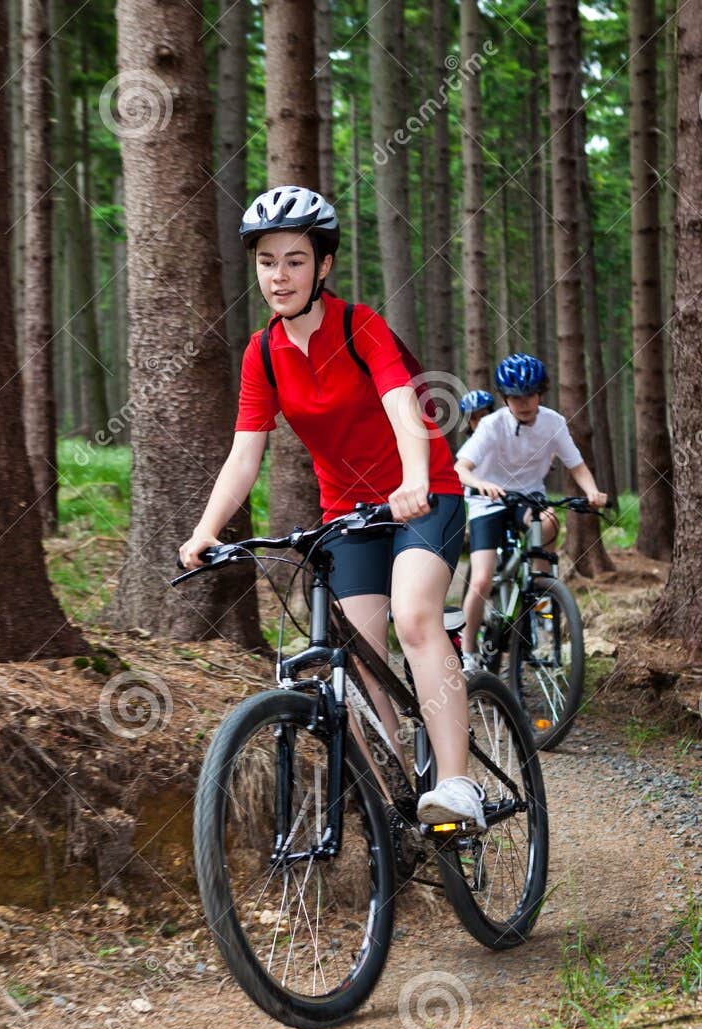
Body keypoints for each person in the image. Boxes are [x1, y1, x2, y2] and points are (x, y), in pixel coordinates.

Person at [177, 185, 486, 828]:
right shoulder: (262, 353)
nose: (279, 275)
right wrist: (207, 530)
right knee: (360, 661)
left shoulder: (358, 325)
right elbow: (245, 454)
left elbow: (403, 405)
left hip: (424, 492)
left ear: (323, 265)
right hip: (347, 511)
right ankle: (394, 812)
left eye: (295, 260)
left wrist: (414, 479)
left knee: (415, 618)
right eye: (267, 261)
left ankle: (458, 785)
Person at [452, 353, 607, 673]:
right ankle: (467, 653)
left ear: (541, 393)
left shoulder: (553, 422)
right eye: (515, 397)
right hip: (488, 500)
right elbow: (461, 468)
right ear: (504, 399)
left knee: (549, 521)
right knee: (481, 578)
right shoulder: (492, 425)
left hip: (528, 497)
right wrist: (480, 483)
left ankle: (540, 593)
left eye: (530, 395)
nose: (523, 403)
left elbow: (576, 465)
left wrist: (592, 491)